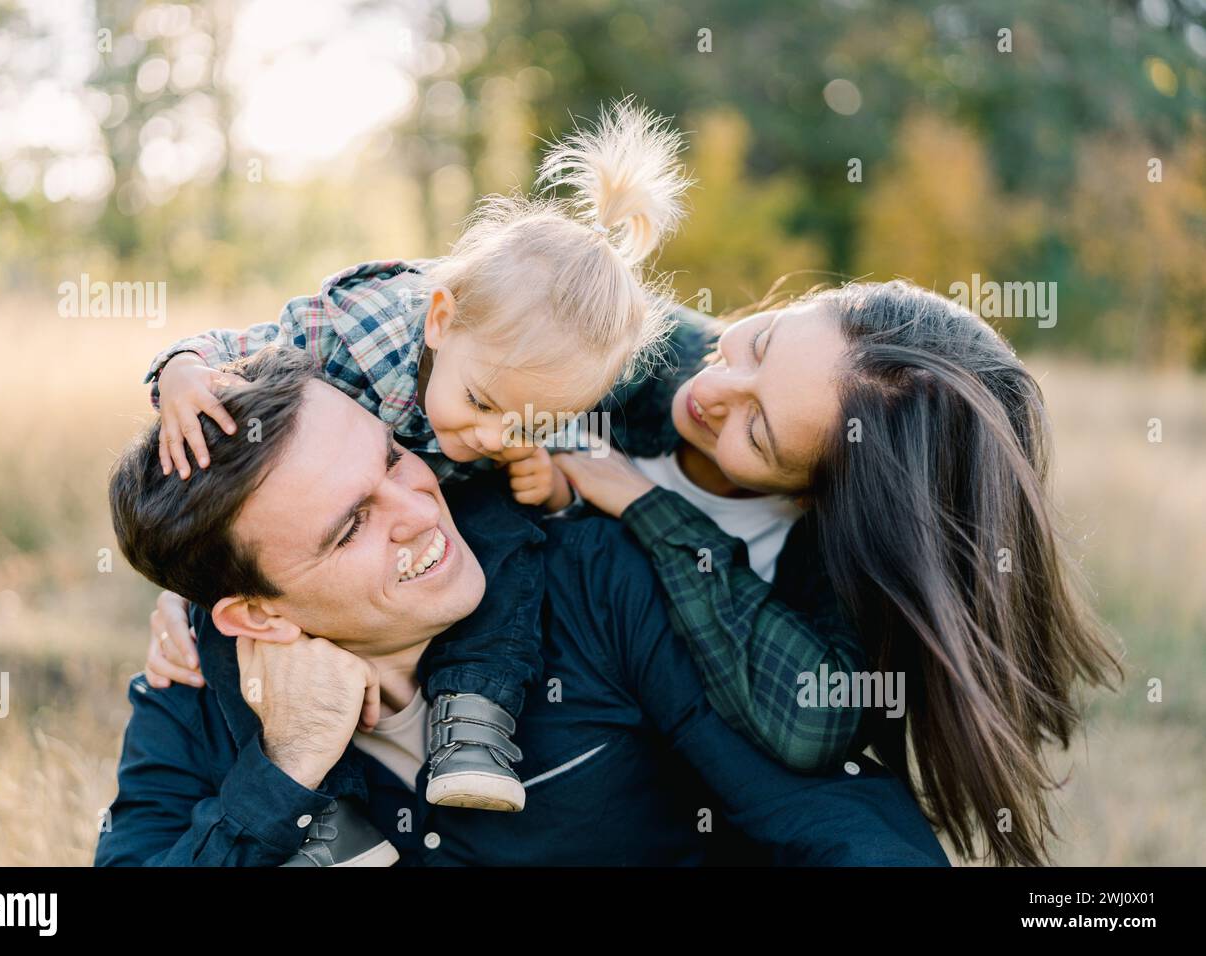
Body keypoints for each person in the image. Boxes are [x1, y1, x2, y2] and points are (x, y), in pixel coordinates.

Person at [97, 346, 947, 866]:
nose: (421, 510)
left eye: (393, 460)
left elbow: (828, 815)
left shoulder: (593, 581)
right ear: (258, 616)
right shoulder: (193, 692)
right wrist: (282, 770)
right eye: (353, 524)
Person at [135, 99, 691, 816]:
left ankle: (474, 724)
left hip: (440, 508)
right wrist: (180, 370)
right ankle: (314, 815)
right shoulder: (354, 333)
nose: (499, 436)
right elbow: (238, 352)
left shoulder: (525, 389)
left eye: (534, 422)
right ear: (439, 319)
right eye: (486, 405)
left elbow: (566, 454)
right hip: (322, 522)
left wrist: (550, 480)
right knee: (240, 621)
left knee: (509, 550)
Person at [553, 281, 1124, 866]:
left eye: (756, 432)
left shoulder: (820, 565)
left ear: (814, 498)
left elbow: (813, 721)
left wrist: (645, 505)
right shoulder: (625, 331)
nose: (715, 388)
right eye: (764, 342)